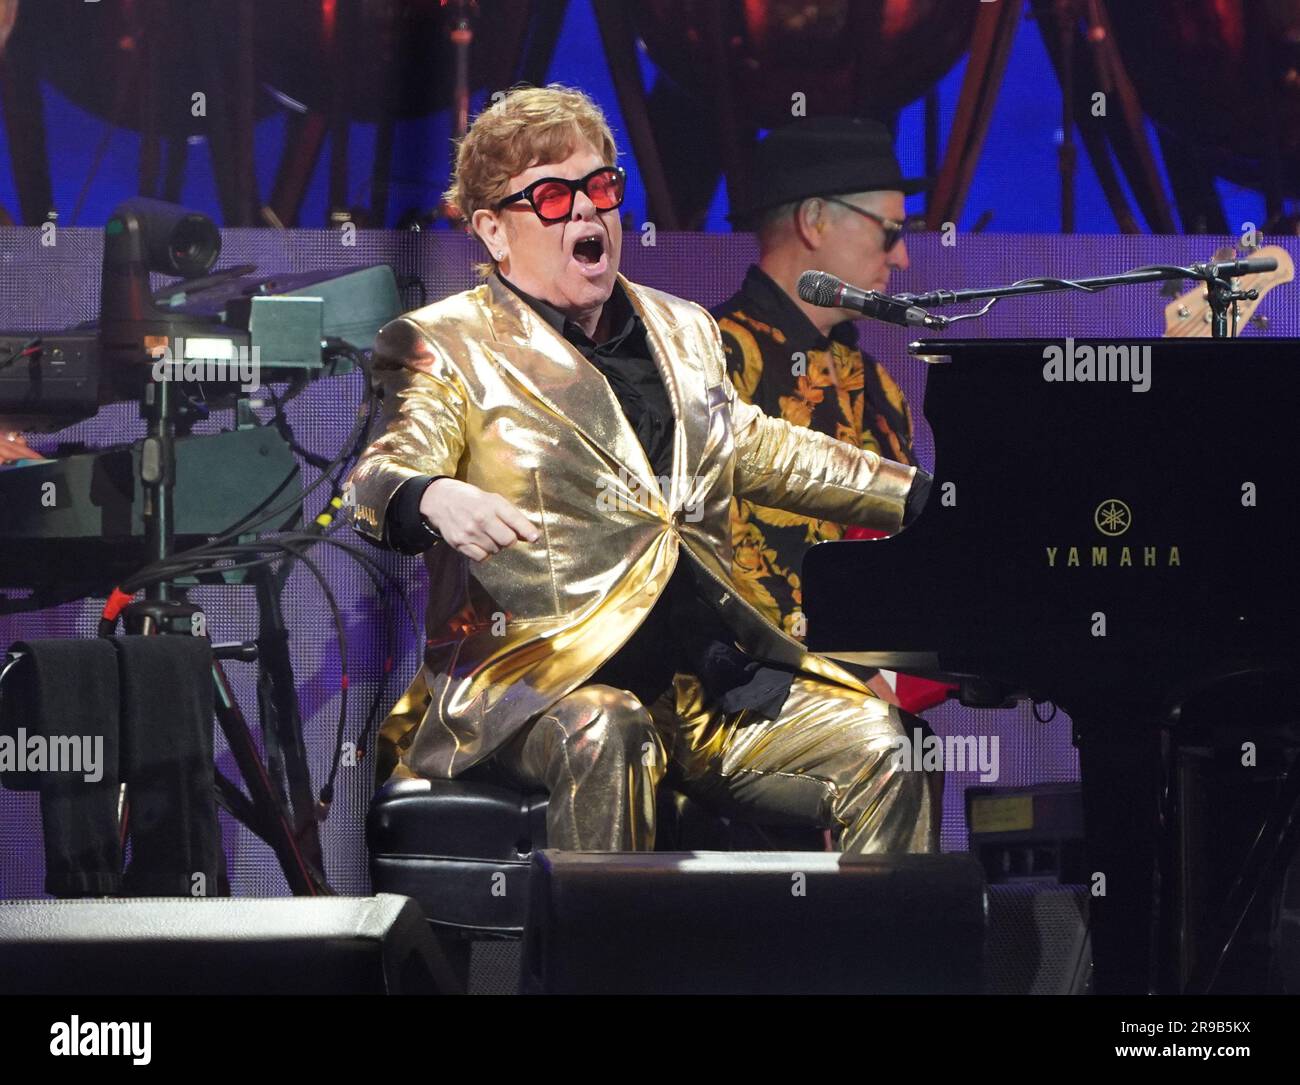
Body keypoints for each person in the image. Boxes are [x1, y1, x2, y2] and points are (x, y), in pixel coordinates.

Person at [345, 85, 940, 854]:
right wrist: (433, 494)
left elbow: (762, 446)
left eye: (600, 187)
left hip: (704, 681)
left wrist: (930, 497)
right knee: (607, 727)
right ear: (492, 229)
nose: (587, 213)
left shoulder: (682, 327)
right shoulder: (444, 343)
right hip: (543, 686)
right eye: (553, 197)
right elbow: (380, 472)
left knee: (890, 748)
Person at [713, 117, 950, 712]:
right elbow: (693, 549)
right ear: (814, 219)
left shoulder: (877, 385)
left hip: (857, 695)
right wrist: (836, 675)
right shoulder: (712, 356)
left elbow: (911, 549)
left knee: (908, 744)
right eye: (890, 231)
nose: (902, 259)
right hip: (736, 690)